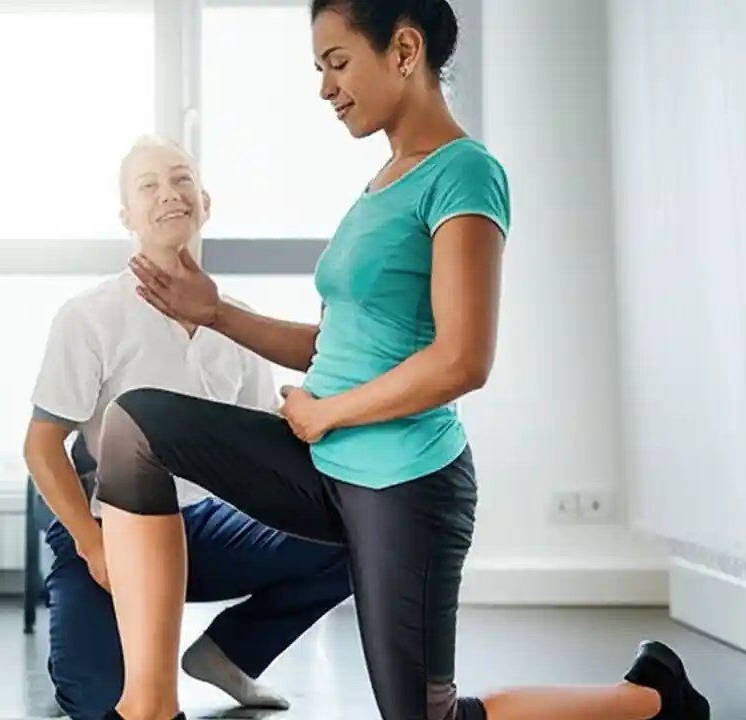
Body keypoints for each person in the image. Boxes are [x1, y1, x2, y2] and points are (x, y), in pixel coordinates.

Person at [92, 2, 712, 720]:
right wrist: (215, 312)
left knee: (426, 717)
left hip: (406, 483)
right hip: (323, 461)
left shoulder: (466, 174)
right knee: (134, 427)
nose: (325, 87)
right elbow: (335, 345)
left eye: (338, 62)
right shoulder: (380, 184)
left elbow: (462, 359)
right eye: (319, 69)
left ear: (405, 49)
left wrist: (328, 413)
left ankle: (651, 698)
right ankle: (148, 706)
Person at [24, 135, 352, 720]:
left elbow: (262, 442)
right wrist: (92, 542)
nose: (168, 193)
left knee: (356, 537)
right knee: (101, 704)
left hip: (204, 527)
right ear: (127, 215)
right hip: (107, 529)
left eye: (180, 180)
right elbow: (41, 445)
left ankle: (229, 654)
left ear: (205, 201)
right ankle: (91, 650)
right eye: (148, 186)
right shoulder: (90, 316)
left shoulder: (238, 323)